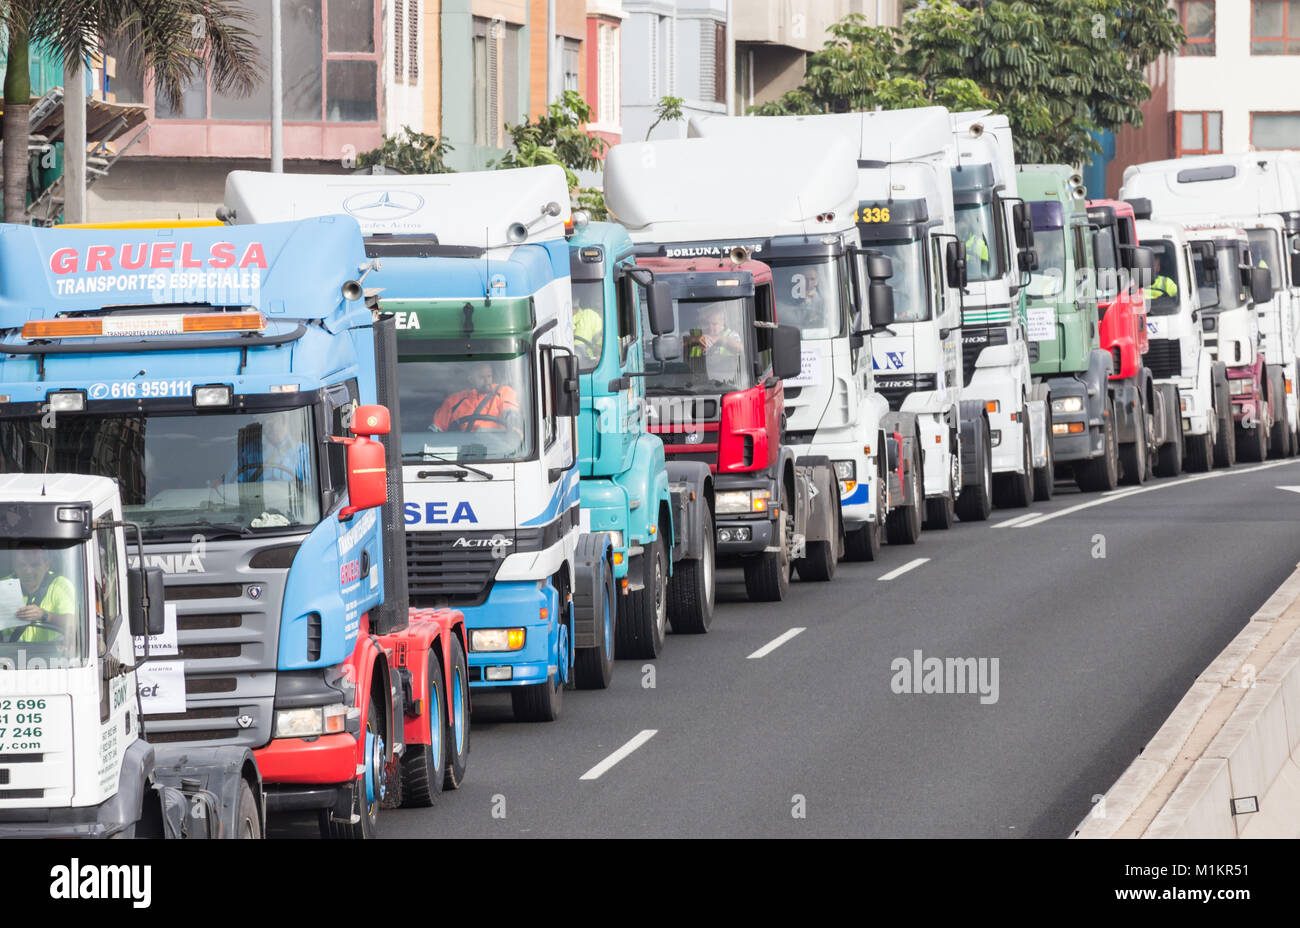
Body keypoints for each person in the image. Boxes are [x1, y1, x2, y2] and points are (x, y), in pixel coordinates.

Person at [2, 548, 76, 644]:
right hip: (10, 653)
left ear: (47, 565)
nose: (28, 571)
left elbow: (73, 622)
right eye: (22, 565)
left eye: (35, 565)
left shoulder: (60, 585)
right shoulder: (4, 586)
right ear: (14, 566)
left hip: (50, 653)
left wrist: (45, 615)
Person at [433, 361, 521, 432]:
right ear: (471, 379)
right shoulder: (453, 401)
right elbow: (436, 430)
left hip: (500, 449)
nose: (487, 381)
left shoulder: (503, 392)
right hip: (463, 449)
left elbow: (510, 411)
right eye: (482, 377)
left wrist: (511, 416)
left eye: (489, 376)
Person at [229, 413, 312, 483]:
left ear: (284, 421)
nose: (271, 429)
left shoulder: (302, 452)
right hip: (255, 499)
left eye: (273, 423)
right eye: (265, 424)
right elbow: (231, 484)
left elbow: (310, 489)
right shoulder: (248, 453)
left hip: (291, 500)